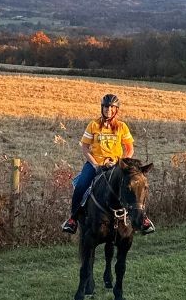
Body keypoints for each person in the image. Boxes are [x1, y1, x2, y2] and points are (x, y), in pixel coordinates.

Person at [61, 93, 155, 235]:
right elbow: (85, 147)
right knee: (81, 186)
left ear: (116, 109)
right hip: (96, 164)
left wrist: (121, 163)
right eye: (106, 106)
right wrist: (94, 165)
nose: (108, 109)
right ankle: (73, 219)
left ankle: (143, 219)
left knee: (135, 187)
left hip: (116, 165)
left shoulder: (122, 127)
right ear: (102, 108)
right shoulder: (93, 125)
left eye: (112, 107)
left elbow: (129, 148)